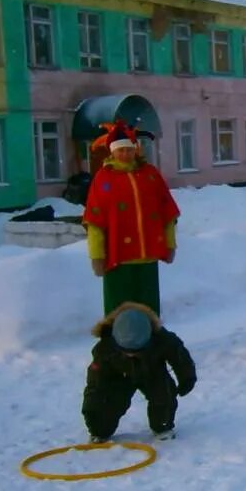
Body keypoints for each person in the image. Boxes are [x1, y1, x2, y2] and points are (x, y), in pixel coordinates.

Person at [82, 121, 180, 316]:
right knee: (119, 313)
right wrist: (97, 255)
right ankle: (116, 345)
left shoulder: (150, 175)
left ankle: (151, 344)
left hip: (147, 257)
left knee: (149, 311)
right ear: (112, 152)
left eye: (128, 149)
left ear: (135, 150)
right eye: (121, 150)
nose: (125, 154)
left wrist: (170, 244)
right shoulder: (103, 179)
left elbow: (167, 213)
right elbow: (95, 222)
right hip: (118, 259)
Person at [82, 302, 196, 442]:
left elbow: (180, 358)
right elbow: (95, 381)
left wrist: (187, 378)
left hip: (151, 371)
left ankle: (162, 427)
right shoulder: (104, 347)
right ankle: (99, 431)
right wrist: (95, 405)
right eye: (126, 351)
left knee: (164, 395)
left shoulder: (162, 339)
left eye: (137, 351)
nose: (131, 355)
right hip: (117, 376)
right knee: (102, 407)